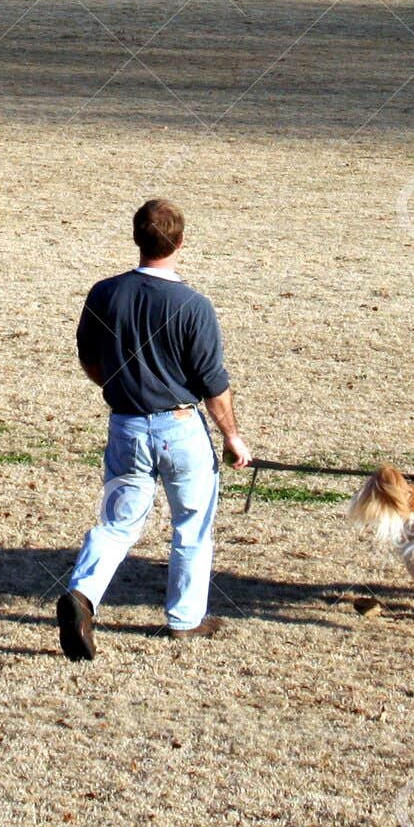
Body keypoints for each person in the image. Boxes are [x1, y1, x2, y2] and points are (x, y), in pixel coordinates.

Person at [57, 198, 251, 660]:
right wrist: (231, 436)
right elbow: (213, 385)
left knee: (117, 523)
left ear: (136, 238)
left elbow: (89, 357)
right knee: (192, 526)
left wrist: (119, 385)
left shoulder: (104, 293)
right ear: (181, 242)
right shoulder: (194, 305)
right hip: (181, 428)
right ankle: (185, 619)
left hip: (125, 426)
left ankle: (82, 594)